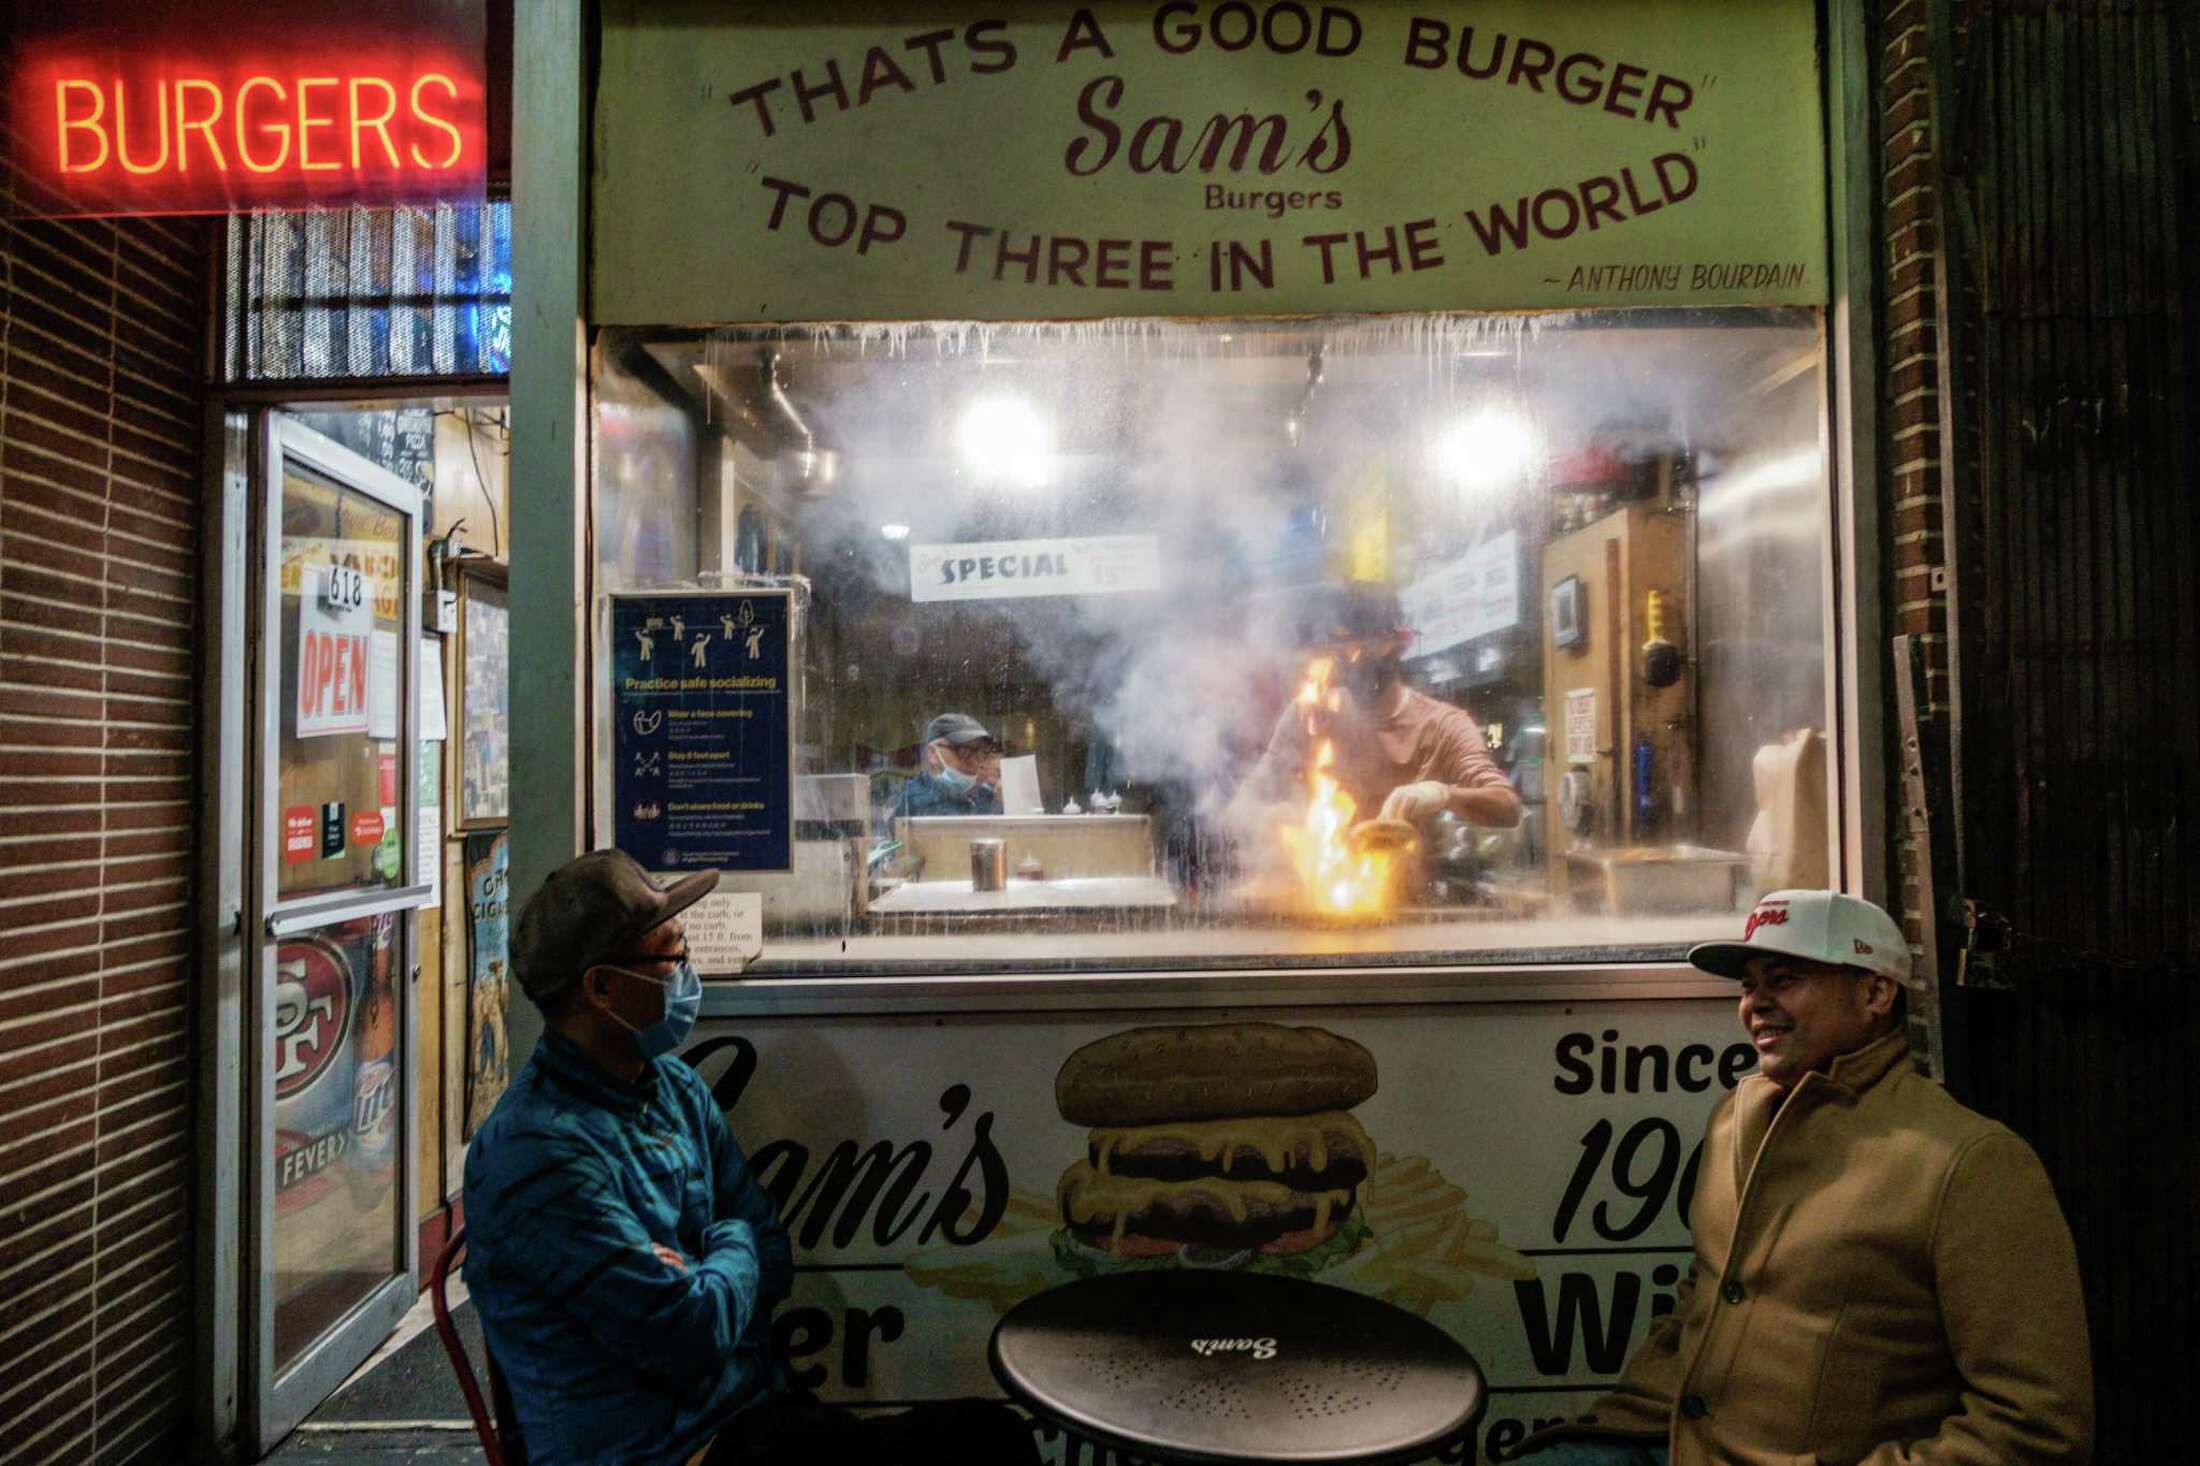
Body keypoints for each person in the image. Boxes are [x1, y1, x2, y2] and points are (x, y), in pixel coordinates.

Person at [464, 850, 1038, 1466]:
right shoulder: (535, 1155)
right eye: (671, 955)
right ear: (602, 988)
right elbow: (690, 1336)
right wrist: (724, 1248)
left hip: (752, 1416)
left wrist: (707, 1261)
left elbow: (771, 1251)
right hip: (662, 1450)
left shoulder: (674, 1090)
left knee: (990, 1435)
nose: (687, 974)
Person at [1514, 889, 2093, 1466]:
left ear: (1874, 993)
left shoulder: (1970, 1162)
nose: (1755, 1005)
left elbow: (2036, 1426)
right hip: (1657, 1438)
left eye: (1785, 979)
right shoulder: (1733, 1120)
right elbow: (1706, 1293)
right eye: (1748, 985)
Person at [1234, 583, 1522, 834]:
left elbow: (1507, 807)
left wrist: (1442, 794)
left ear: (1397, 643)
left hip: (1414, 894)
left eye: (1363, 645)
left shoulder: (1444, 725)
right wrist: (1267, 817)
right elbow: (1247, 801)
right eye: (1340, 647)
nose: (1350, 659)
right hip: (1318, 889)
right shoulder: (1308, 713)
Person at [893, 711, 1005, 819]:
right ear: (933, 753)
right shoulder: (915, 800)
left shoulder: (985, 795)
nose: (973, 761)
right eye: (963, 750)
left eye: (980, 753)